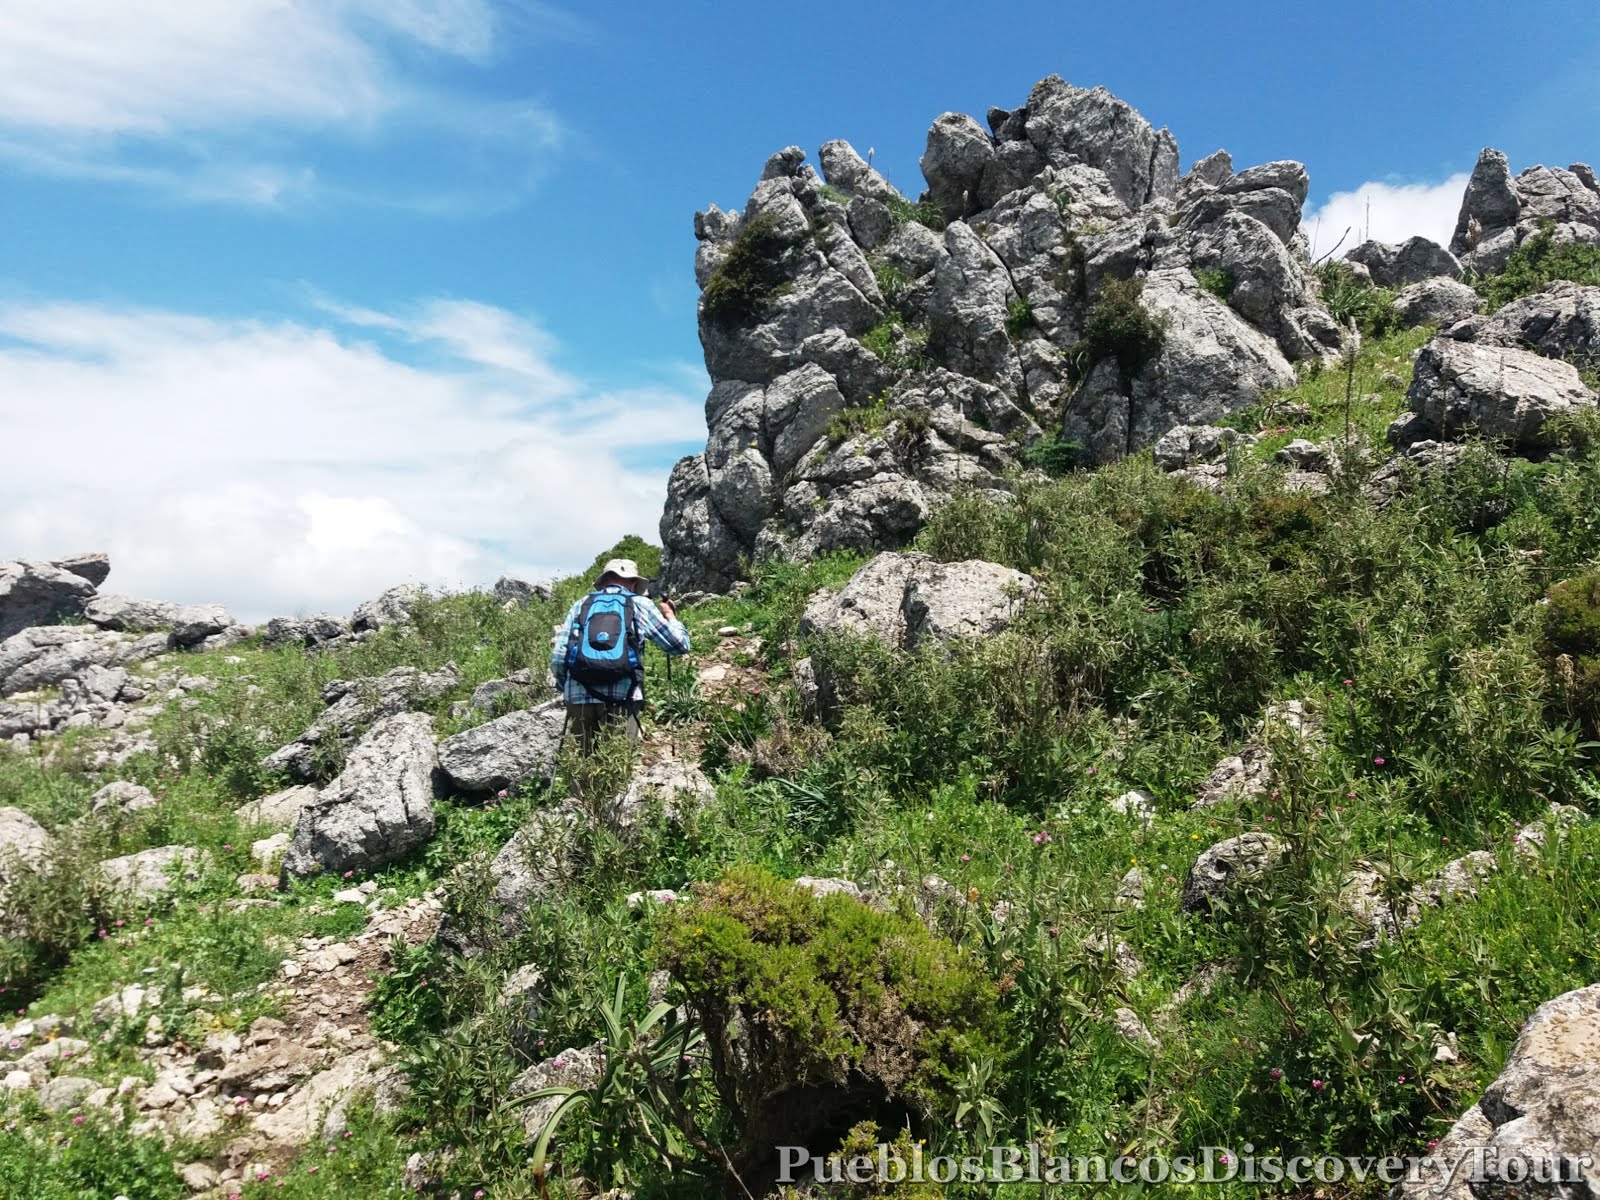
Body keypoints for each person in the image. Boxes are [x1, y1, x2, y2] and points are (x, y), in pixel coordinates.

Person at [550, 557, 690, 754]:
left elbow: (558, 657)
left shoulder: (581, 604)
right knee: (617, 771)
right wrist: (671, 617)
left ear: (604, 580)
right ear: (633, 583)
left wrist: (567, 686)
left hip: (578, 697)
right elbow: (678, 645)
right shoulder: (640, 604)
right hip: (623, 698)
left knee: (581, 771)